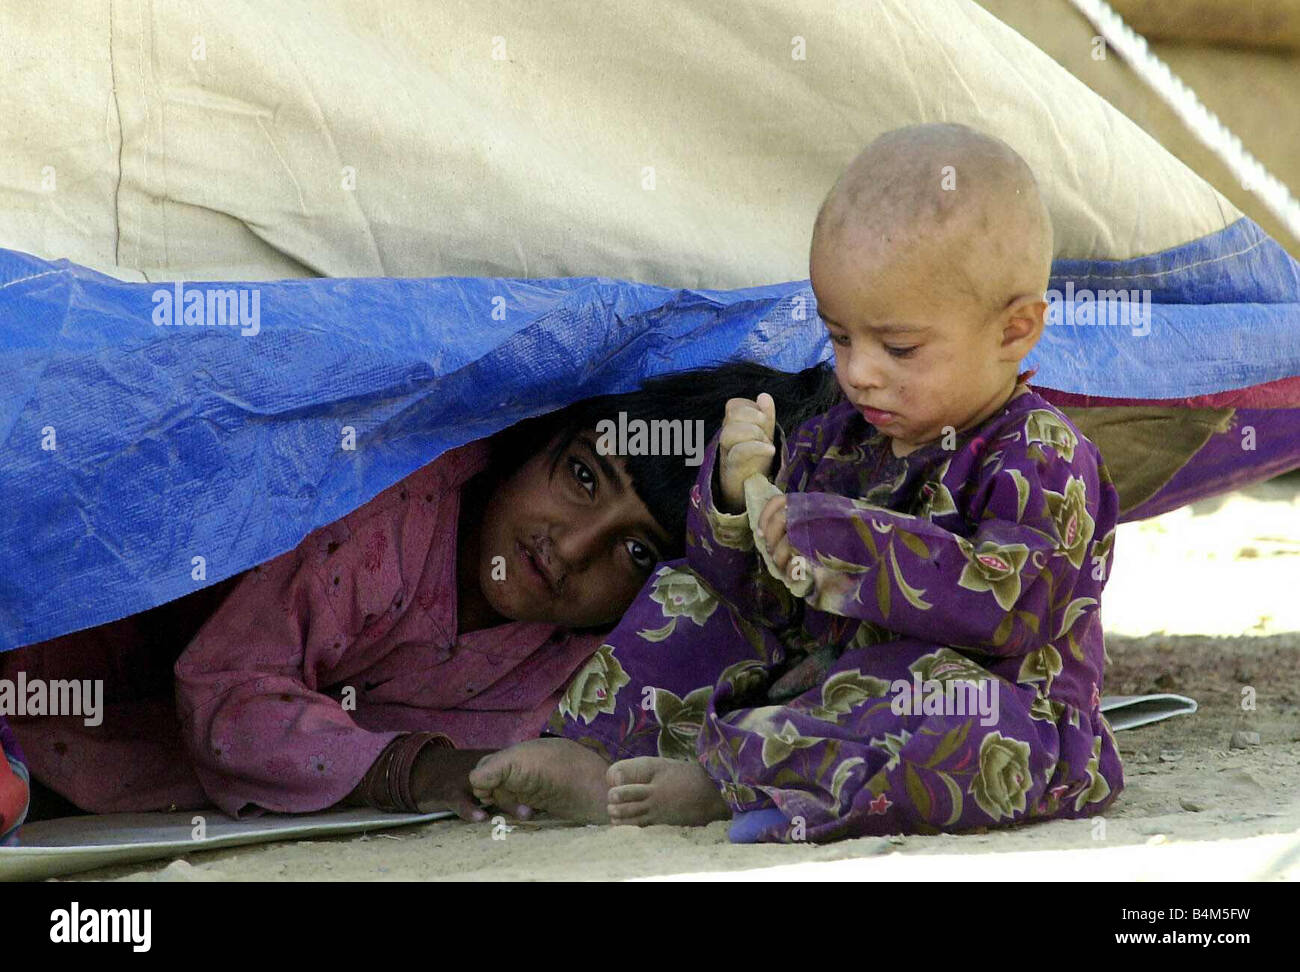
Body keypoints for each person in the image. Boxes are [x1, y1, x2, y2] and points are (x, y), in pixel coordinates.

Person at [470, 122, 1124, 843]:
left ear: (1014, 331)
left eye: (898, 346)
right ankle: (597, 751)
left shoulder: (1042, 457)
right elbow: (765, 598)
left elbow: (1009, 605)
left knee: (953, 709)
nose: (859, 371)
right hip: (821, 678)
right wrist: (734, 501)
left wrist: (844, 542)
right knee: (685, 593)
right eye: (840, 336)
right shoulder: (838, 434)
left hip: (989, 703)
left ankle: (726, 784)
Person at [0, 361, 838, 826]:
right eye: (581, 476)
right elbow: (228, 693)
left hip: (94, 789)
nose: (568, 549)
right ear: (535, 437)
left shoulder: (570, 652)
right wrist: (431, 774)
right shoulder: (391, 515)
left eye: (631, 548)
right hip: (44, 669)